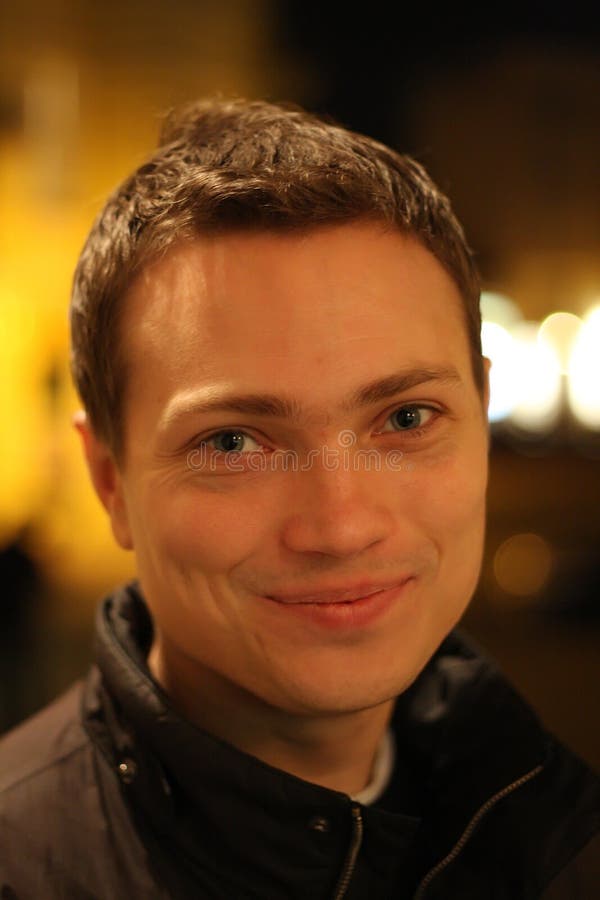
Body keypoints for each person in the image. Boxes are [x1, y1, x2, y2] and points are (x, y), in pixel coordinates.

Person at [0, 97, 597, 900]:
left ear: (480, 417)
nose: (342, 525)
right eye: (232, 442)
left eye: (406, 418)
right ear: (111, 481)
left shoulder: (563, 836)